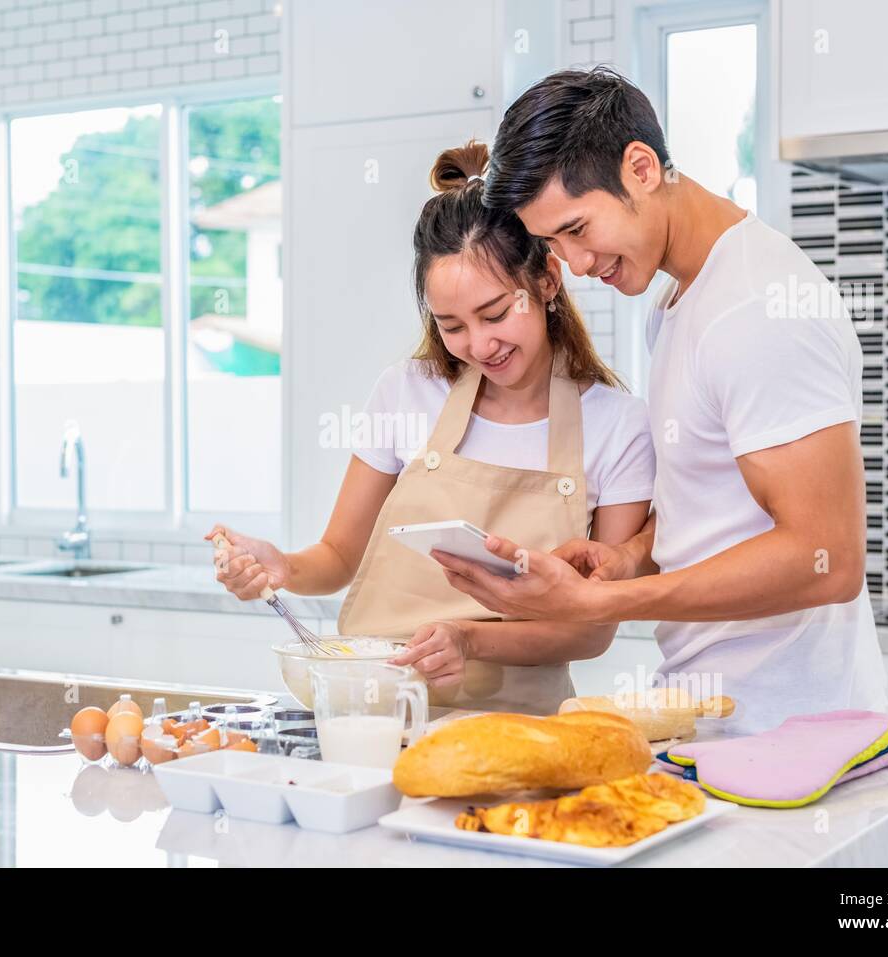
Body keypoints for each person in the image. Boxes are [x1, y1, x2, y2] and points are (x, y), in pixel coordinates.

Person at [433, 68, 887, 733]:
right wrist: (626, 559)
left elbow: (830, 558)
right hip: (716, 715)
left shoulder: (759, 306)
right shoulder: (674, 303)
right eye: (554, 244)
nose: (577, 264)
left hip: (793, 728)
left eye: (577, 228)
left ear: (641, 168)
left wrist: (599, 605)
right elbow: (718, 513)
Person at [208, 141, 654, 715]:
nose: (480, 345)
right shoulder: (406, 391)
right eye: (453, 326)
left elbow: (592, 629)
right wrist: (285, 567)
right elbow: (341, 556)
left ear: (547, 279)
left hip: (520, 730)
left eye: (495, 314)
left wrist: (469, 639)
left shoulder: (618, 425)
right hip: (372, 716)